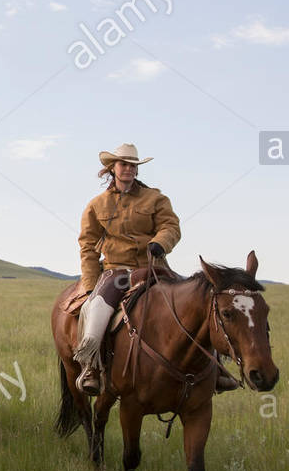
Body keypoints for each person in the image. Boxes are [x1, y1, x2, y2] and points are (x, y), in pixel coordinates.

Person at [74, 144, 238, 395]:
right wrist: (90, 285)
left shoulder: (156, 199)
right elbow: (87, 245)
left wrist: (160, 243)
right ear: (112, 168)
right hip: (116, 271)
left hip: (154, 267)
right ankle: (92, 367)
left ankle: (216, 369)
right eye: (123, 164)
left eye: (133, 165)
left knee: (200, 302)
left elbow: (171, 226)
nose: (128, 168)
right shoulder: (96, 205)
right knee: (95, 309)